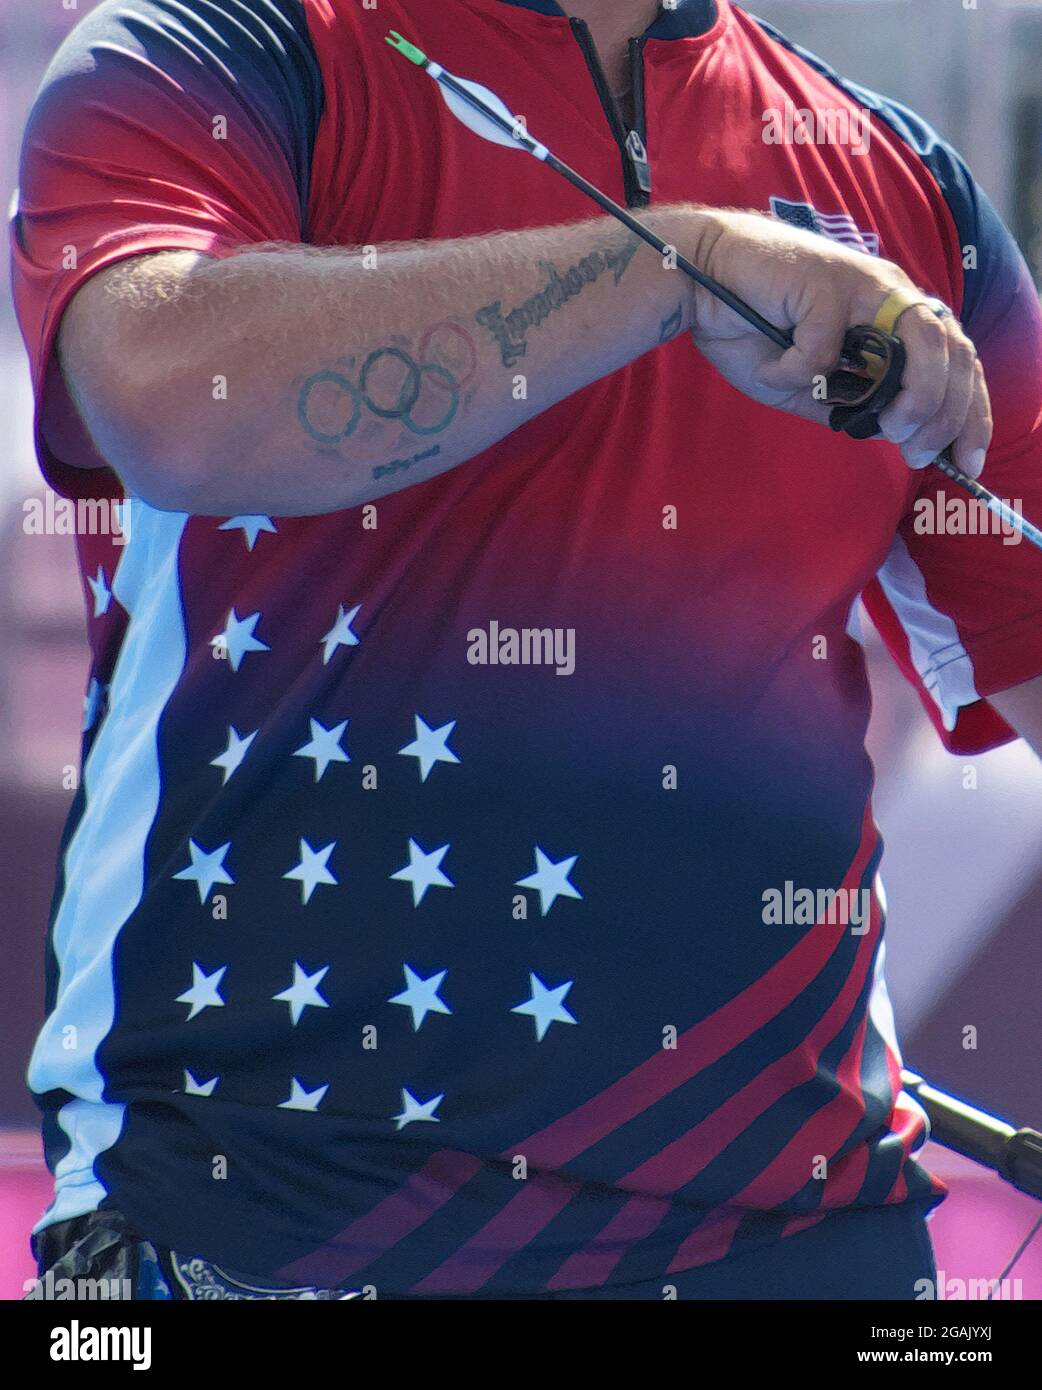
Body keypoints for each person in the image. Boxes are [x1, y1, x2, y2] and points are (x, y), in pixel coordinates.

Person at [10, 0, 1042, 1301]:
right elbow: (169, 397)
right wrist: (672, 269)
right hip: (266, 1223)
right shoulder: (209, 49)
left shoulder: (901, 182)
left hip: (803, 1233)